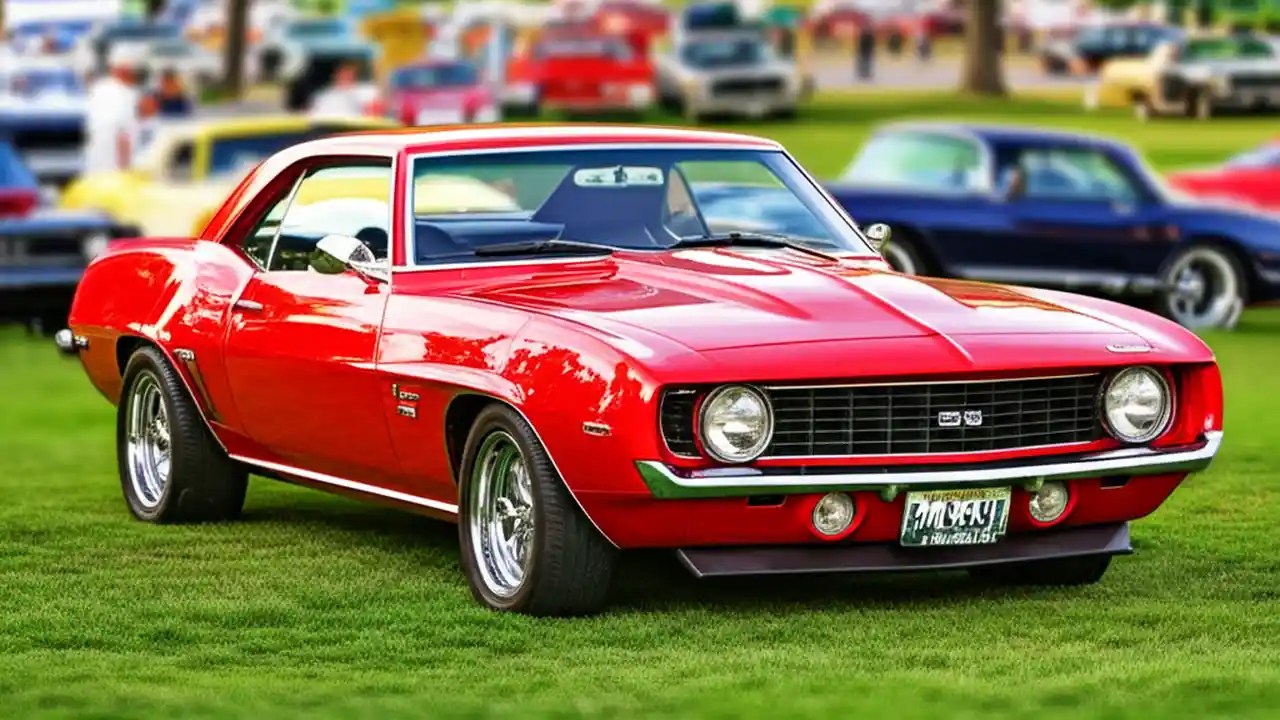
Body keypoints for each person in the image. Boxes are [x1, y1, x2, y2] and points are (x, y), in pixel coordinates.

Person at [83, 51, 141, 174]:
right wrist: (125, 170)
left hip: (94, 163)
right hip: (115, 168)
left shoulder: (98, 89)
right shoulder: (127, 94)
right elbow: (123, 135)